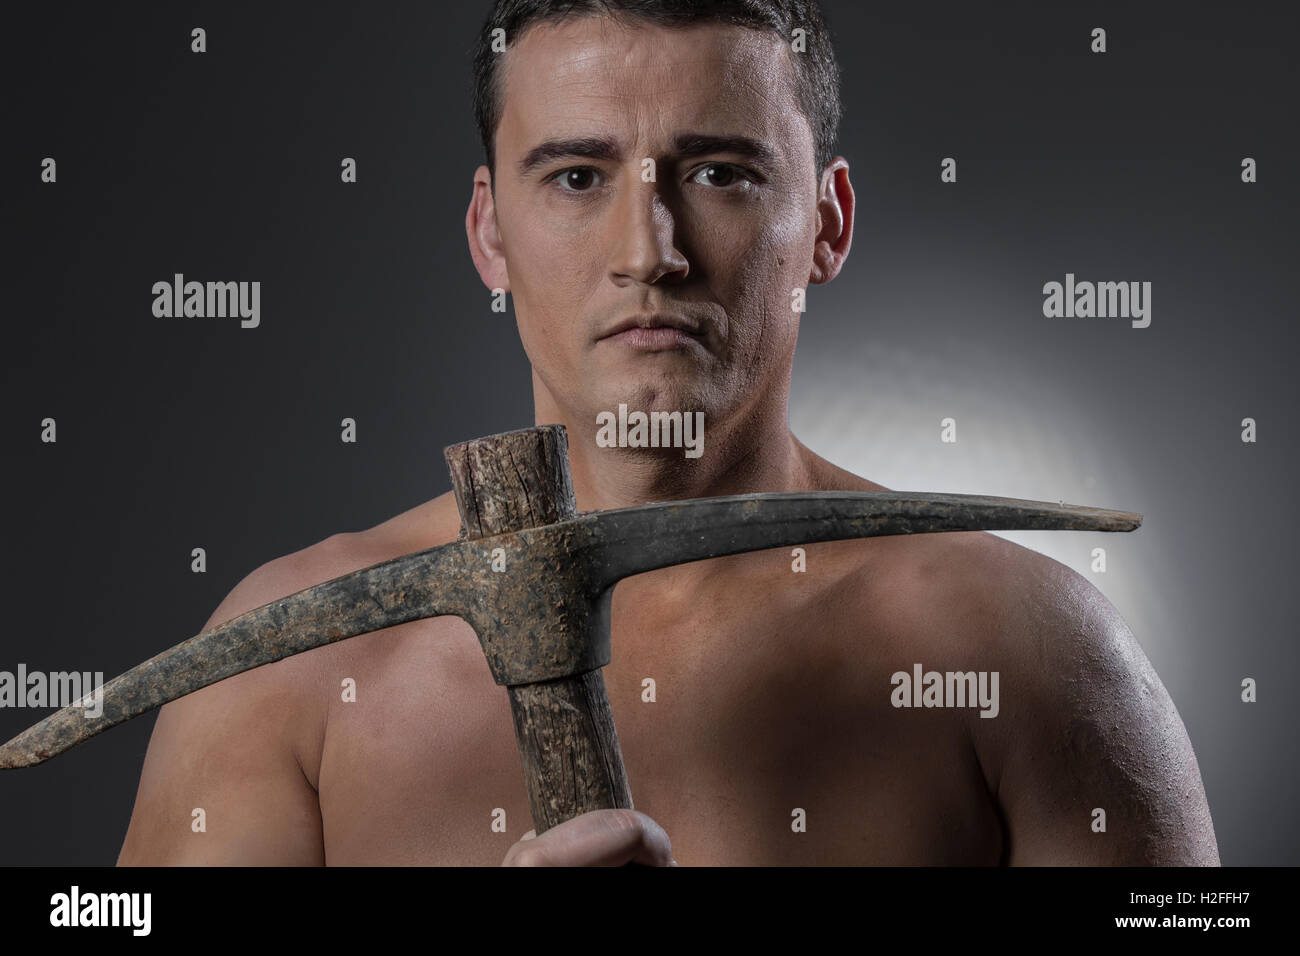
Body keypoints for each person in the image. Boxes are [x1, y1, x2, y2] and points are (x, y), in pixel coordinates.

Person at [118, 0, 1218, 866]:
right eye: (577, 176)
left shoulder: (1029, 654)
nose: (648, 248)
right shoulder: (289, 673)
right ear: (489, 232)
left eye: (719, 172)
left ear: (826, 224)